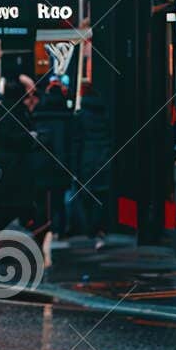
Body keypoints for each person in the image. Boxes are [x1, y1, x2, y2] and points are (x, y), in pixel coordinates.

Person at [0, 80, 38, 234]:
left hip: (2, 166)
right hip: (12, 167)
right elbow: (12, 137)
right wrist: (30, 137)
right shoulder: (14, 111)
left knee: (3, 208)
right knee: (13, 207)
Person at [32, 78, 76, 242]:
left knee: (42, 199)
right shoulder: (67, 116)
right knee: (59, 199)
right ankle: (60, 229)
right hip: (61, 162)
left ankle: (42, 226)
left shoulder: (38, 113)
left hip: (41, 163)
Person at [71, 83, 112, 248]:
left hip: (86, 160)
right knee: (100, 194)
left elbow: (76, 143)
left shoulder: (80, 117)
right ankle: (99, 226)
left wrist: (73, 165)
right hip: (103, 158)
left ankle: (90, 228)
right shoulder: (104, 114)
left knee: (86, 195)